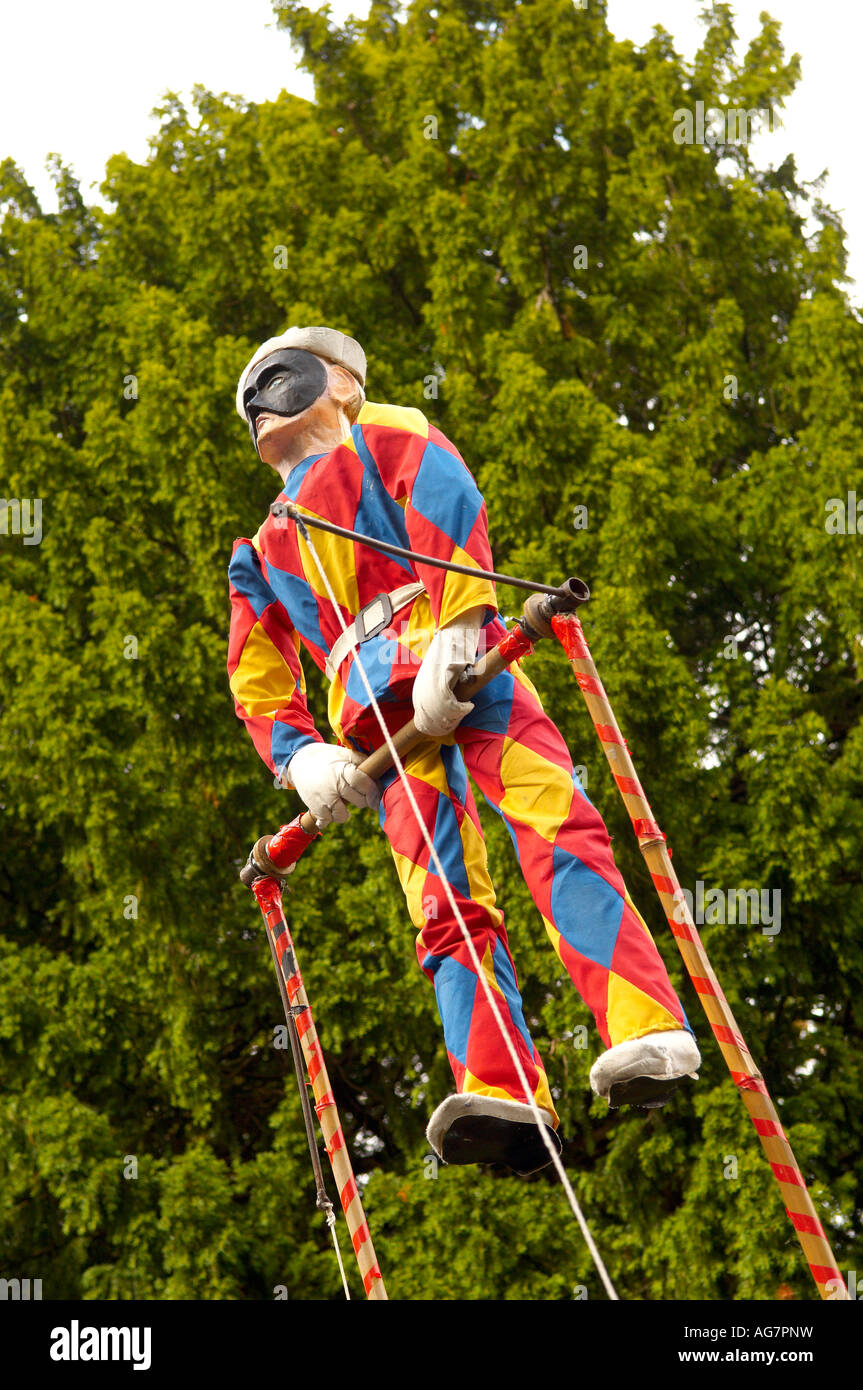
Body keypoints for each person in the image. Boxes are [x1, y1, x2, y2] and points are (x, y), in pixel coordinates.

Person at [227, 325, 700, 1175]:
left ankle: (645, 1027)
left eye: (280, 377)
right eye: (249, 393)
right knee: (438, 899)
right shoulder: (262, 545)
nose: (261, 400)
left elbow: (444, 499)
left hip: (464, 666)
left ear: (338, 383)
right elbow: (256, 670)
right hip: (375, 728)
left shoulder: (387, 435)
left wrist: (457, 627)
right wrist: (300, 757)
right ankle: (500, 1085)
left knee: (554, 824)